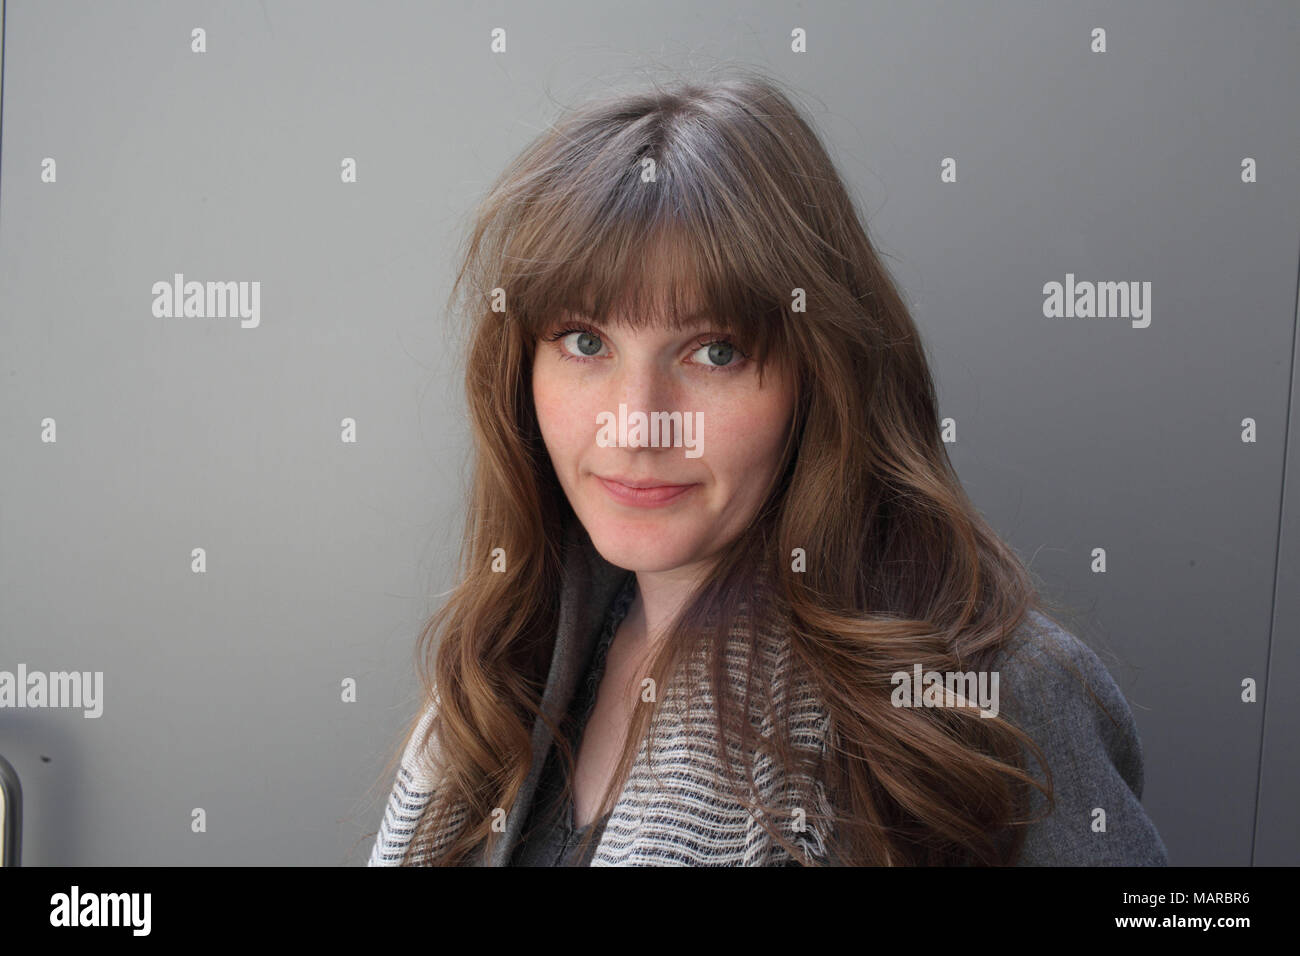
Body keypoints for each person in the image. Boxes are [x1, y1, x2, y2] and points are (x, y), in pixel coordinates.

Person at [368, 70, 1168, 866]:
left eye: (714, 351)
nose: (638, 423)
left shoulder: (988, 693)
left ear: (819, 373)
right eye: (585, 342)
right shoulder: (503, 664)